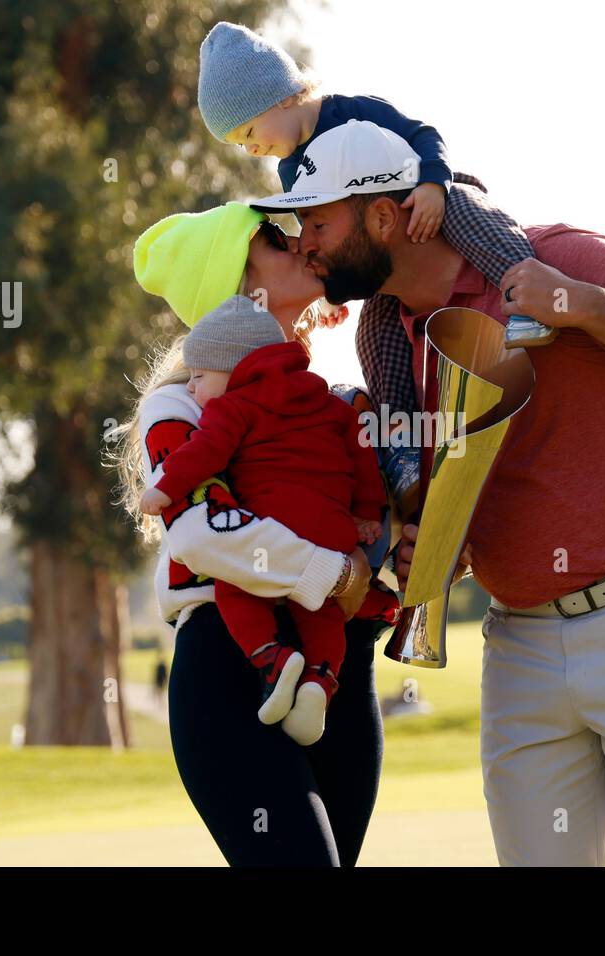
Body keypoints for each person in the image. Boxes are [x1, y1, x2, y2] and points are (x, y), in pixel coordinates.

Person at [251, 120, 605, 866]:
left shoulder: (561, 257)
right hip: (522, 646)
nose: (307, 241)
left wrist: (582, 304)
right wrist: (435, 548)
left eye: (319, 221)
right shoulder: (385, 340)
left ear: (384, 218)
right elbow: (448, 493)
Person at [116, 202, 392, 866]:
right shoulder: (181, 404)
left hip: (343, 668)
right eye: (273, 236)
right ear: (239, 283)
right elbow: (202, 535)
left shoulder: (335, 402)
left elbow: (373, 530)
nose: (300, 240)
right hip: (232, 667)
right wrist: (339, 575)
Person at [195, 21, 541, 506]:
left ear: (281, 97)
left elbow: (423, 133)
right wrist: (329, 290)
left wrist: (433, 184)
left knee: (467, 212)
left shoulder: (353, 112)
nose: (250, 148)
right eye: (238, 144)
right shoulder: (290, 171)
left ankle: (530, 299)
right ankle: (400, 450)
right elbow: (325, 238)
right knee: (374, 334)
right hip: (381, 260)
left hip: (424, 202)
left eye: (249, 131)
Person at [137, 294, 392, 744]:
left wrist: (164, 488)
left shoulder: (231, 408)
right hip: (333, 532)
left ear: (235, 370)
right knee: (325, 616)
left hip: (270, 524)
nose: (192, 389)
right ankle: (320, 680)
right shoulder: (330, 401)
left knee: (237, 589)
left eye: (199, 376)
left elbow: (203, 455)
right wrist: (365, 517)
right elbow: (362, 461)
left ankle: (273, 658)